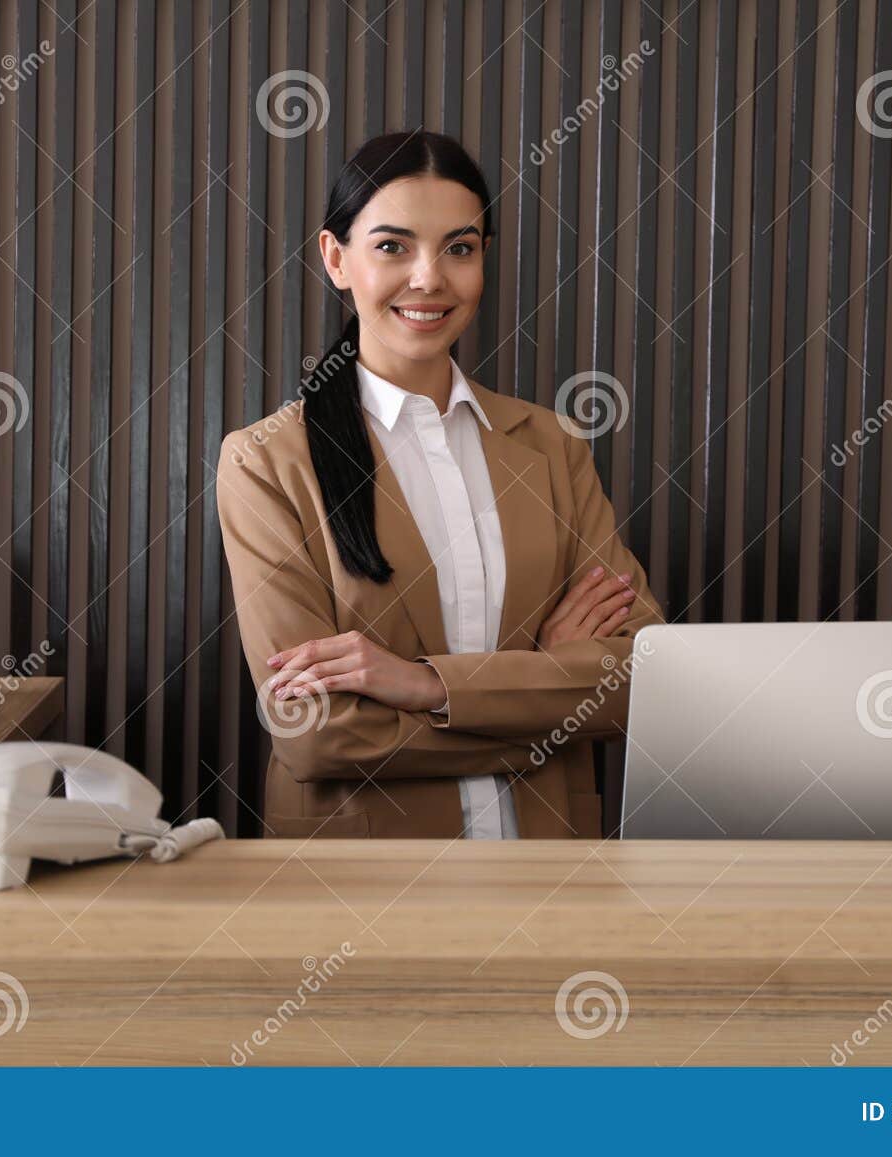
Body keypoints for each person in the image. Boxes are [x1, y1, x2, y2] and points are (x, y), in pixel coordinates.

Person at [217, 129, 664, 839]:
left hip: (550, 870)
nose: (429, 278)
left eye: (459, 248)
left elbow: (641, 679)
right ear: (337, 260)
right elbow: (315, 734)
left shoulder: (550, 445)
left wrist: (425, 684)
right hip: (356, 895)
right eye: (392, 246)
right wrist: (541, 687)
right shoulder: (266, 462)